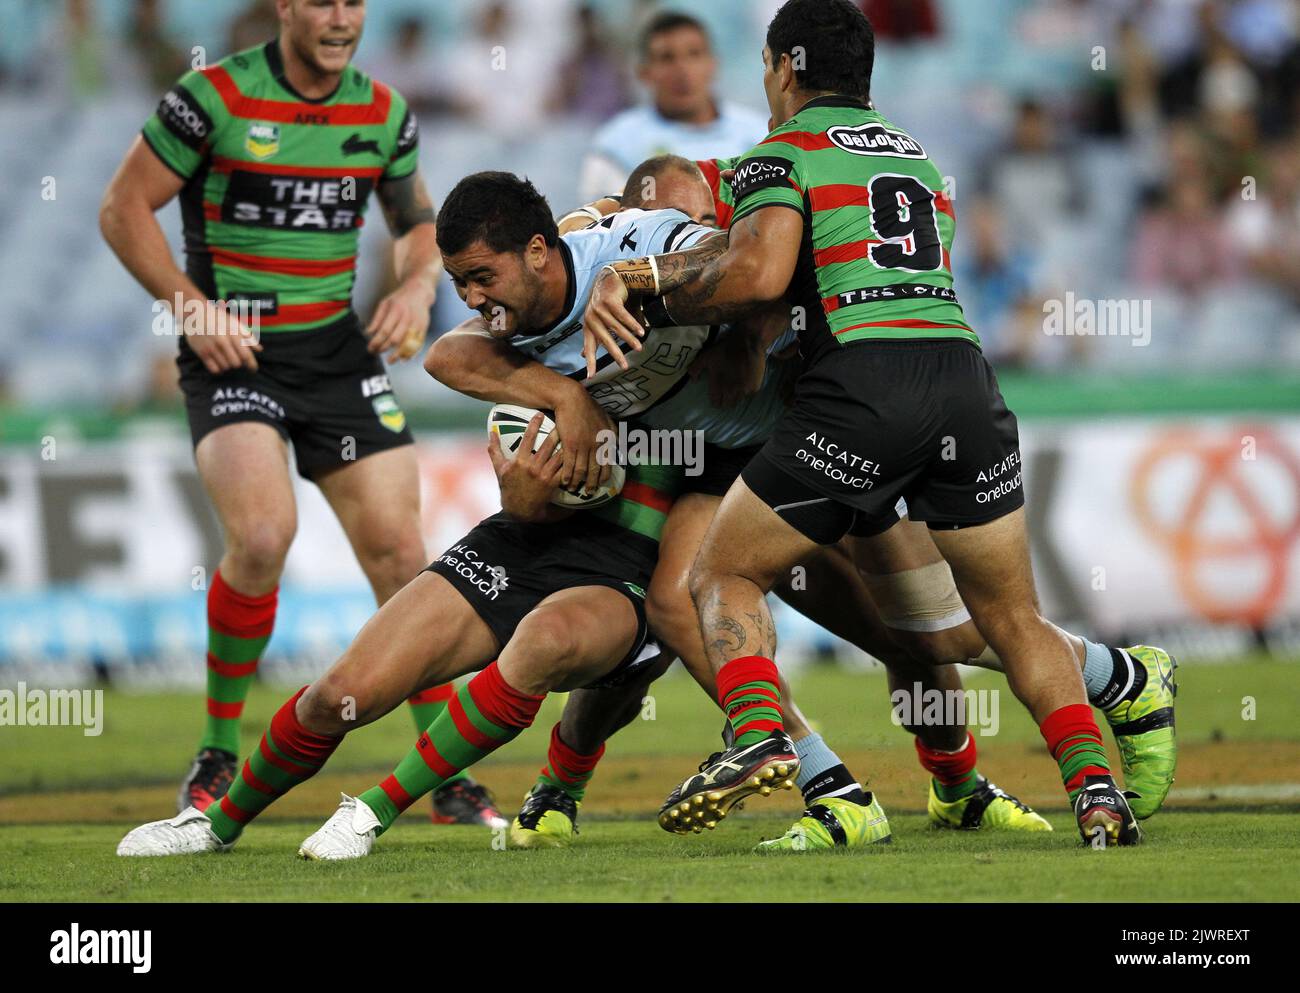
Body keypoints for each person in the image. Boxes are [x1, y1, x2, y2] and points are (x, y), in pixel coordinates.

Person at [581, 0, 1177, 847]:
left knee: (719, 575)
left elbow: (755, 273)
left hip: (862, 388)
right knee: (1007, 619)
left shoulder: (779, 152)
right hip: (963, 378)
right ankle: (1096, 794)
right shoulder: (917, 158)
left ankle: (756, 734)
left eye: (763, 65)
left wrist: (640, 279)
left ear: (786, 66)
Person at [424, 159, 1052, 852]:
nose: (694, 241)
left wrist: (751, 334)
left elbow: (760, 274)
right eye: (681, 228)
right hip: (700, 467)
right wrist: (563, 399)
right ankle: (815, 780)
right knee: (664, 606)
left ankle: (975, 770)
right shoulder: (594, 249)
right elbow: (451, 354)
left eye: (705, 226)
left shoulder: (759, 238)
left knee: (914, 632)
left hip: (815, 443)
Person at [98, 0, 503, 829]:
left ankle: (445, 777)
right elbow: (121, 207)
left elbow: (417, 222)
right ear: (284, 6)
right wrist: (188, 307)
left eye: (353, 0)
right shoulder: (210, 97)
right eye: (321, 0)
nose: (341, 16)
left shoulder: (383, 112)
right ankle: (217, 746)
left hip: (334, 357)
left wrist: (419, 283)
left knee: (400, 551)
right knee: (260, 536)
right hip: (232, 350)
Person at [578, 10, 768, 201]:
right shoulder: (617, 144)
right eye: (667, 58)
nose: (682, 70)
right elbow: (603, 223)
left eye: (694, 54)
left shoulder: (760, 136)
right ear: (644, 72)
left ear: (713, 64)